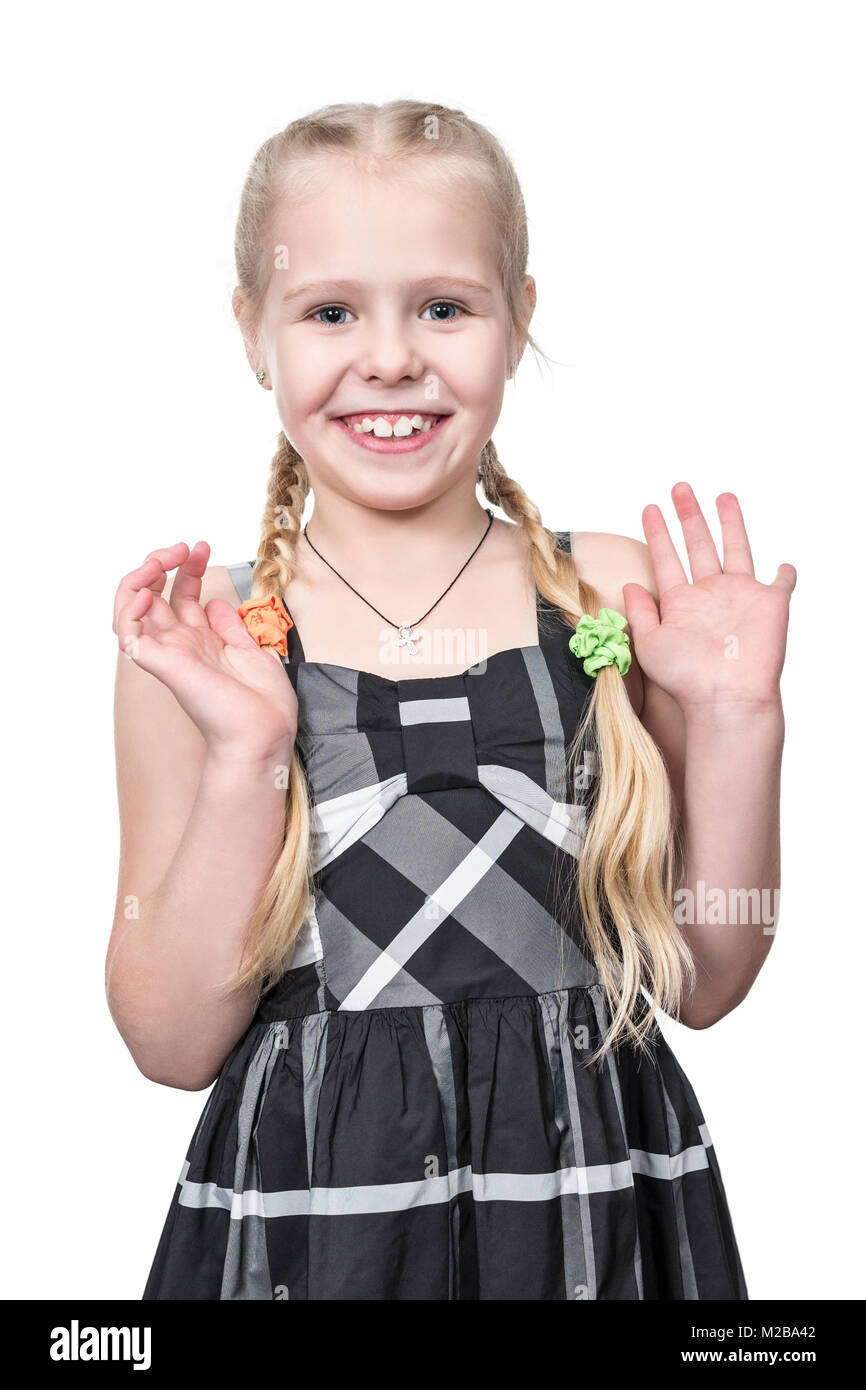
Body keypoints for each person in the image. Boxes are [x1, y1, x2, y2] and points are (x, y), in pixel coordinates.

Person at [108, 100, 794, 1300]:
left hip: (583, 1211)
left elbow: (706, 977)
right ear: (252, 332)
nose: (389, 357)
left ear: (518, 316)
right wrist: (245, 760)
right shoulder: (208, 640)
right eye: (329, 311)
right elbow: (169, 1044)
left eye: (443, 306)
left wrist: (738, 723)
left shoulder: (613, 593)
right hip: (322, 1225)